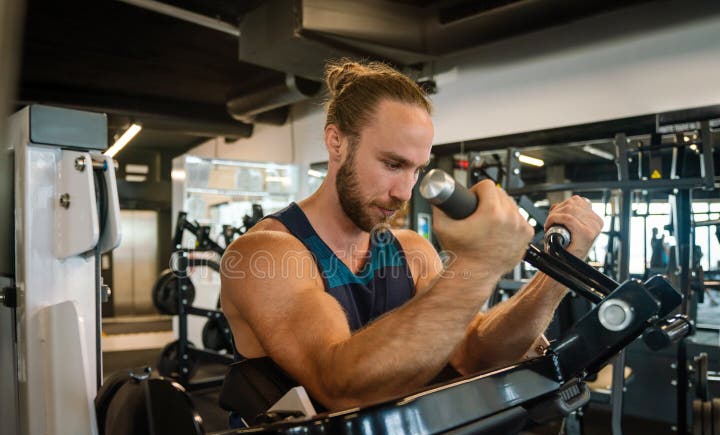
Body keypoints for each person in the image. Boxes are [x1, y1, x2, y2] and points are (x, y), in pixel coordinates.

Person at [220, 60, 603, 415]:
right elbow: (337, 388)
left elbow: (475, 357)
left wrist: (556, 274)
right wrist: (479, 263)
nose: (405, 192)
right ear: (336, 142)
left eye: (417, 170)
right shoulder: (265, 253)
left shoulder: (411, 251)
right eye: (392, 164)